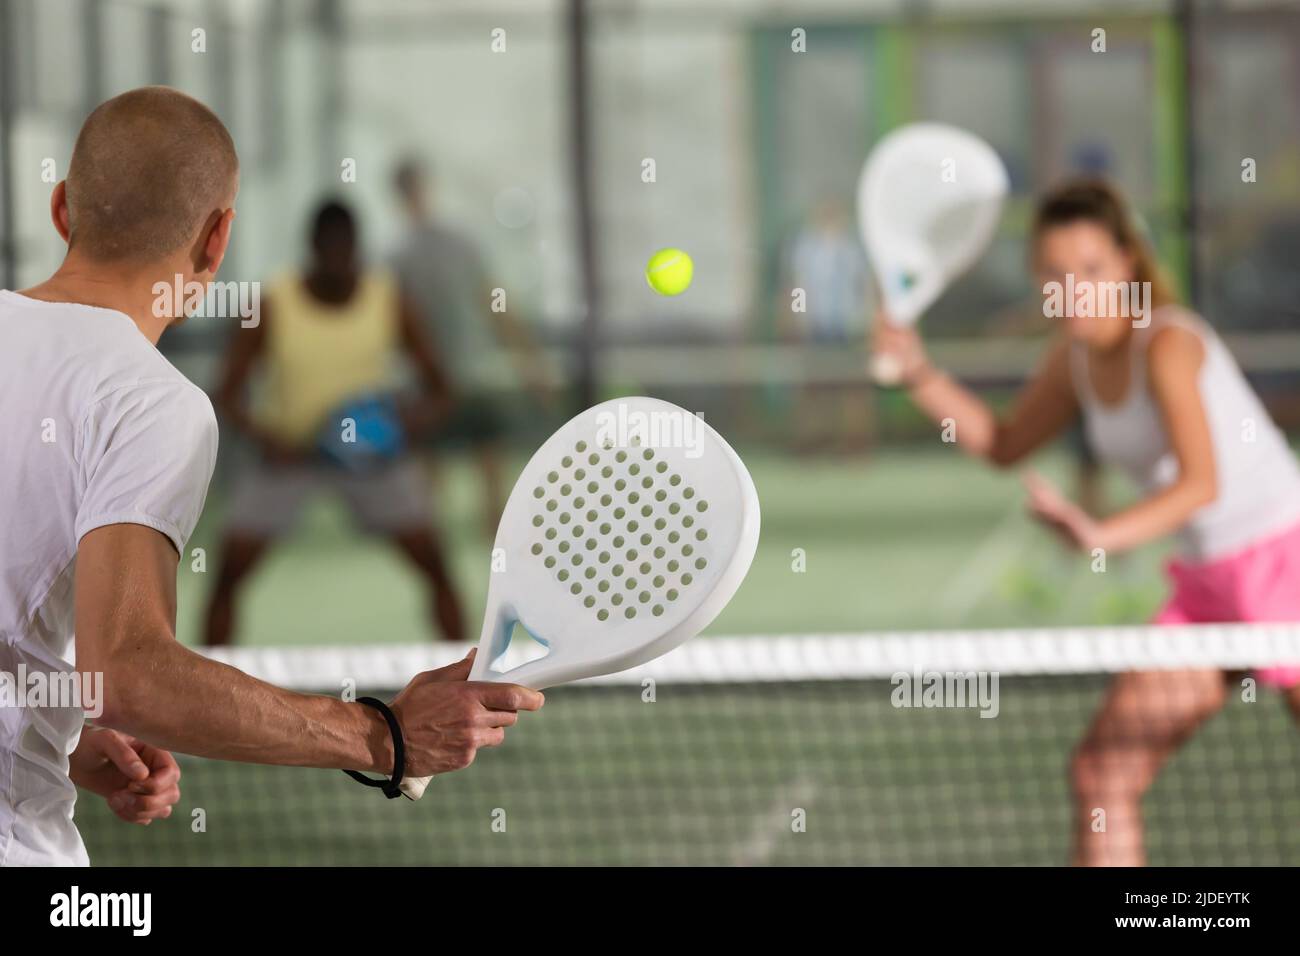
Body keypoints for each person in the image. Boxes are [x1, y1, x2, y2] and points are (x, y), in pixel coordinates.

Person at [0, 86, 541, 867]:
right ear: (218, 240)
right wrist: (384, 734)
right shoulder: (149, 403)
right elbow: (124, 674)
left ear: (60, 210)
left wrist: (56, 735)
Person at [872, 178, 1300, 866]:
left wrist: (1102, 535)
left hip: (1287, 564)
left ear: (1129, 263)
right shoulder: (1071, 360)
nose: (1074, 289)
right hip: (1207, 591)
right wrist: (917, 371)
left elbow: (1201, 483)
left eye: (1092, 269)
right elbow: (1003, 445)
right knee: (1103, 776)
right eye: (1054, 273)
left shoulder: (1168, 344)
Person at [203, 199, 466, 646]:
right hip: (291, 456)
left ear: (358, 247)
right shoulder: (271, 302)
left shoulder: (389, 298)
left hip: (376, 460)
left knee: (436, 566)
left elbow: (442, 389)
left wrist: (404, 424)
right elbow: (226, 393)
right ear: (312, 247)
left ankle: (466, 682)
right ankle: (205, 693)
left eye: (346, 248)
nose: (338, 257)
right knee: (228, 575)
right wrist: (268, 439)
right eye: (329, 248)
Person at [390, 158, 549, 537]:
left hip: (459, 376)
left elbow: (495, 304)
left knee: (479, 461)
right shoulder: (400, 255)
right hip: (437, 380)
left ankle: (488, 538)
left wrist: (531, 361)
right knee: (438, 470)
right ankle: (444, 542)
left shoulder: (434, 249)